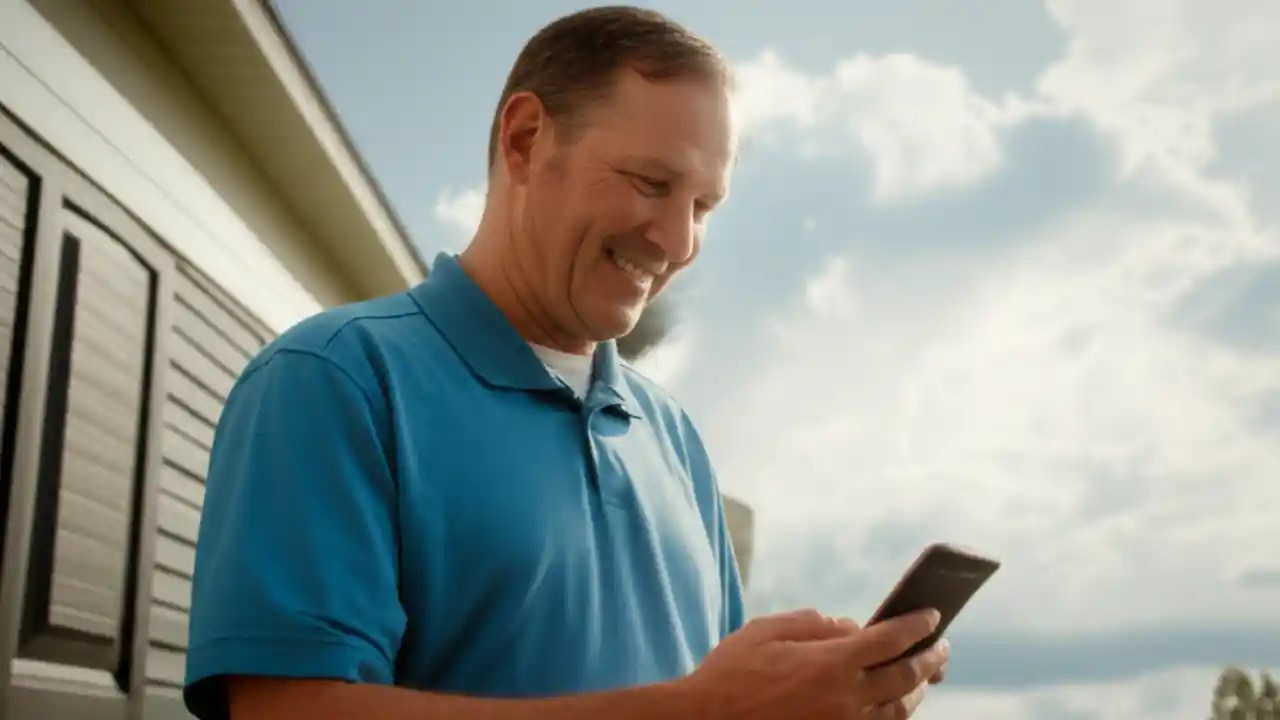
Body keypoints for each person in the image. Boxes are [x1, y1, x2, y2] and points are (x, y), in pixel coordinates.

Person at [183, 6, 949, 720]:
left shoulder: (674, 439)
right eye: (652, 183)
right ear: (524, 139)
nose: (678, 241)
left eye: (703, 207)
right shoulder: (334, 379)